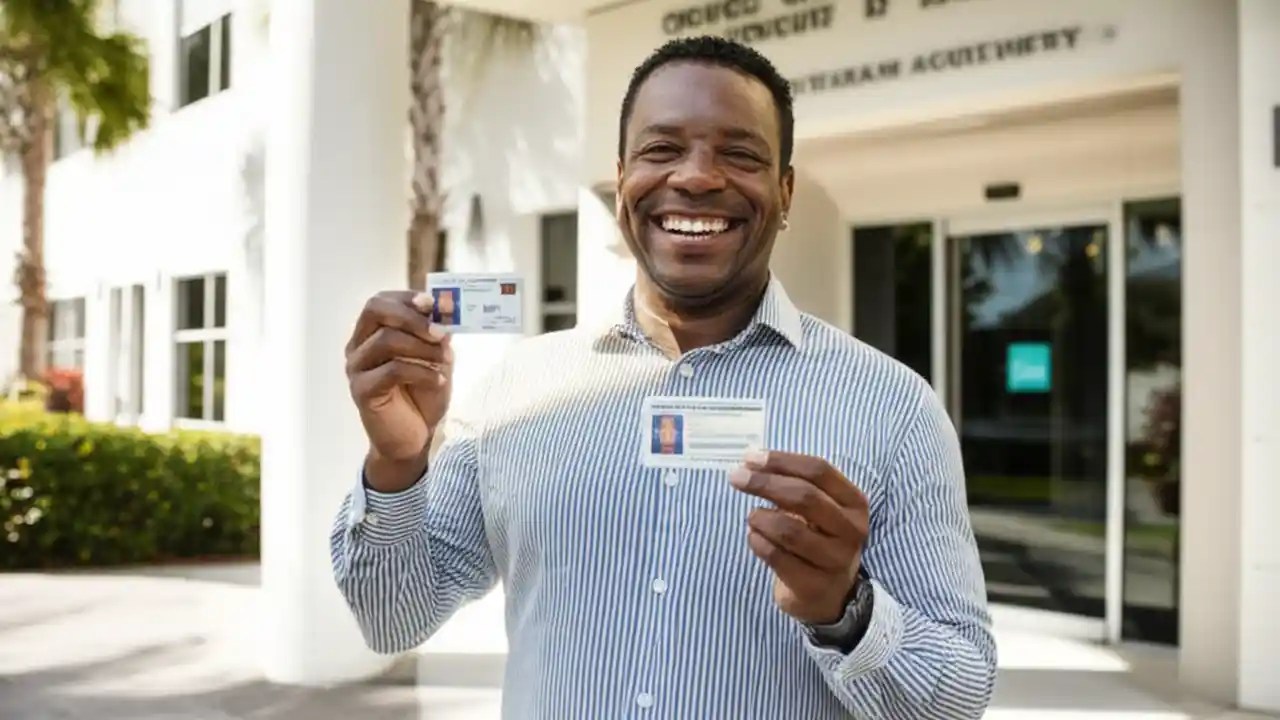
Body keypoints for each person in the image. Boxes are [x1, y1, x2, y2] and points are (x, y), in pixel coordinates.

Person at [333, 35, 996, 719]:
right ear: (621, 181)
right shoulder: (515, 392)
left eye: (740, 154)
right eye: (661, 149)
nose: (698, 177)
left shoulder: (892, 409)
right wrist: (398, 463)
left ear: (785, 191)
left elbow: (956, 698)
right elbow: (391, 622)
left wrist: (848, 611)